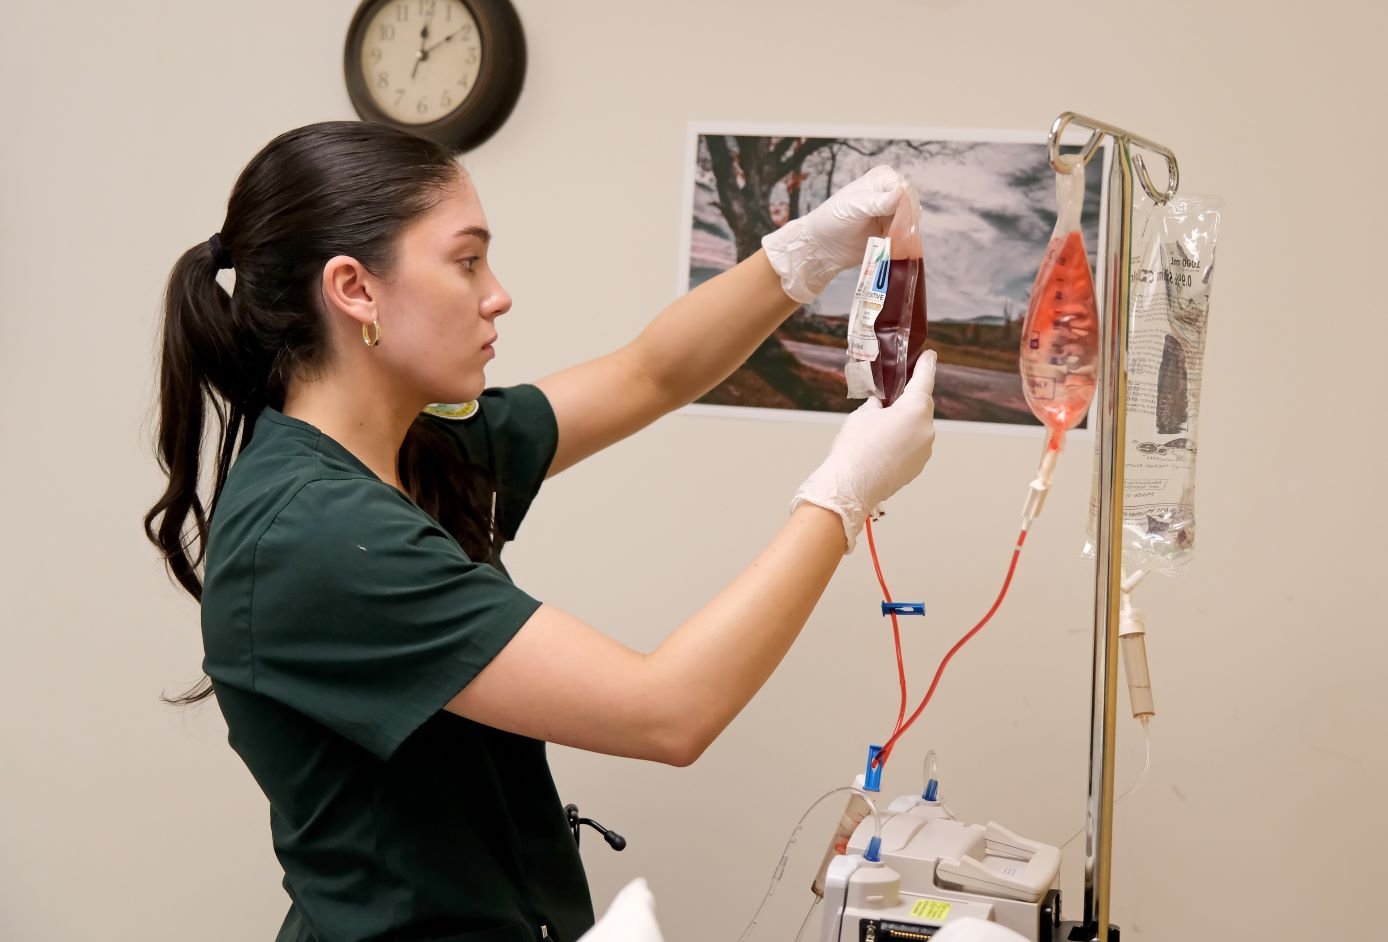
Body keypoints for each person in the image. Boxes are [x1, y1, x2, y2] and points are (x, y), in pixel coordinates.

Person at [143, 121, 937, 942]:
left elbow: (648, 374)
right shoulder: (317, 533)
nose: (497, 292)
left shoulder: (415, 448)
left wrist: (801, 254)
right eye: (466, 260)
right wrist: (841, 496)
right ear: (355, 289)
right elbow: (667, 712)